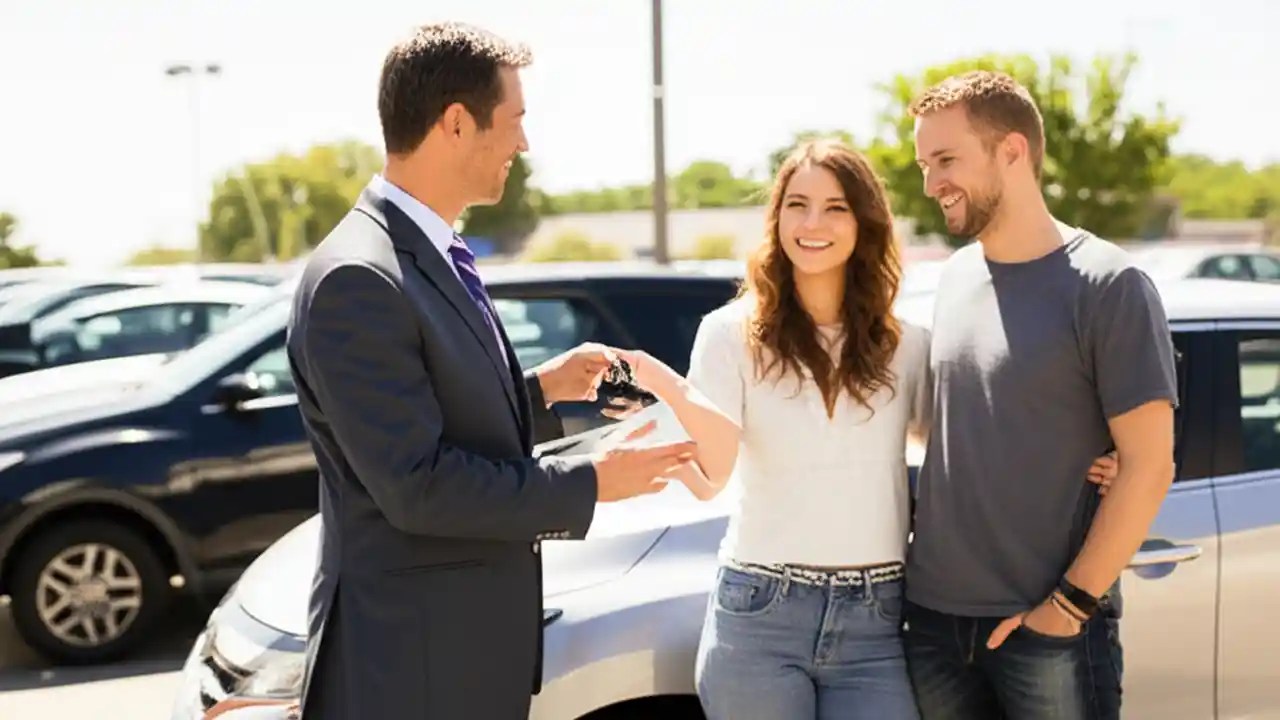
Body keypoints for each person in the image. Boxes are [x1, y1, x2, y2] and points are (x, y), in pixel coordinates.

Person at [613, 139, 1119, 720]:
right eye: (796, 205)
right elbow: (718, 465)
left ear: (864, 222)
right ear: (776, 216)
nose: (812, 224)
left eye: (835, 207)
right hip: (759, 614)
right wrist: (661, 379)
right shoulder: (729, 334)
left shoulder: (906, 344)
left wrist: (1089, 450)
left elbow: (971, 442)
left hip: (874, 621)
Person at [286, 22, 696, 720]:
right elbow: (418, 486)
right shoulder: (358, 277)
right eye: (515, 121)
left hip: (453, 660)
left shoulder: (428, 251)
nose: (524, 144)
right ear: (454, 123)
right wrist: (595, 483)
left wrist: (543, 391)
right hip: (409, 674)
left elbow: (437, 418)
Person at [903, 70, 1178, 720]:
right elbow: (955, 429)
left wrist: (1066, 610)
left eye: (945, 159)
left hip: (1048, 632)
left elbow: (1150, 464)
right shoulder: (955, 277)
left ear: (1012, 152)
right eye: (923, 163)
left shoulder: (1109, 285)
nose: (929, 183)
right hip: (934, 629)